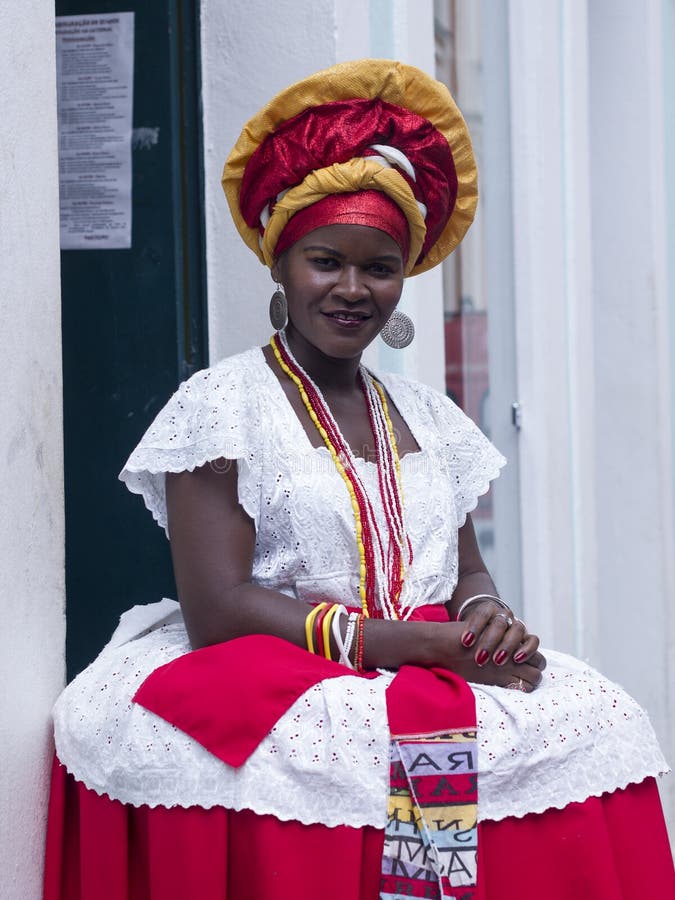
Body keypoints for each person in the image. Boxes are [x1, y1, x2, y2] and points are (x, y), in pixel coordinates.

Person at [44, 59, 674, 900]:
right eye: (324, 260)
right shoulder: (222, 405)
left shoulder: (427, 416)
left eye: (377, 267)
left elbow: (463, 569)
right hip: (275, 663)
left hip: (421, 666)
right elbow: (218, 607)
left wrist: (483, 615)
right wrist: (405, 644)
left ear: (403, 279)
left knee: (602, 730)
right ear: (278, 266)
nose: (351, 288)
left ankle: (425, 882)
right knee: (339, 786)